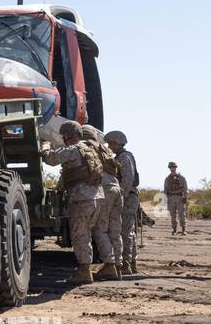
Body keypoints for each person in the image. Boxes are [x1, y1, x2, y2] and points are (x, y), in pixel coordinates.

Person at [42, 121, 105, 284]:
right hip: (96, 195)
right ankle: (87, 268)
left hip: (81, 198)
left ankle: (84, 271)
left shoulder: (73, 149)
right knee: (87, 234)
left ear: (67, 136)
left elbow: (50, 159)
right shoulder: (90, 148)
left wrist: (45, 146)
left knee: (80, 235)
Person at [83, 125, 121, 281]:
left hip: (104, 189)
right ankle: (119, 265)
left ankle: (109, 265)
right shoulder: (104, 149)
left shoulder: (85, 148)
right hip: (116, 188)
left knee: (99, 229)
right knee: (114, 230)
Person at [106, 130, 139, 275]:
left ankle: (127, 263)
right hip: (127, 196)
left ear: (117, 143)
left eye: (111, 143)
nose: (109, 145)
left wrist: (122, 197)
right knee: (128, 231)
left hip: (127, 197)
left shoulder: (124, 157)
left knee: (126, 232)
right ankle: (130, 263)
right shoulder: (121, 156)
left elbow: (127, 179)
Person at [164, 162, 188, 234]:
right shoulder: (167, 179)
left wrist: (185, 197)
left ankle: (183, 229)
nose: (172, 168)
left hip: (180, 197)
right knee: (172, 215)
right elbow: (165, 189)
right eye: (171, 167)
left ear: (176, 168)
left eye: (174, 167)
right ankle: (174, 229)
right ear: (169, 168)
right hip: (171, 198)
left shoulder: (181, 178)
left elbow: (185, 188)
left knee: (181, 214)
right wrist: (166, 199)